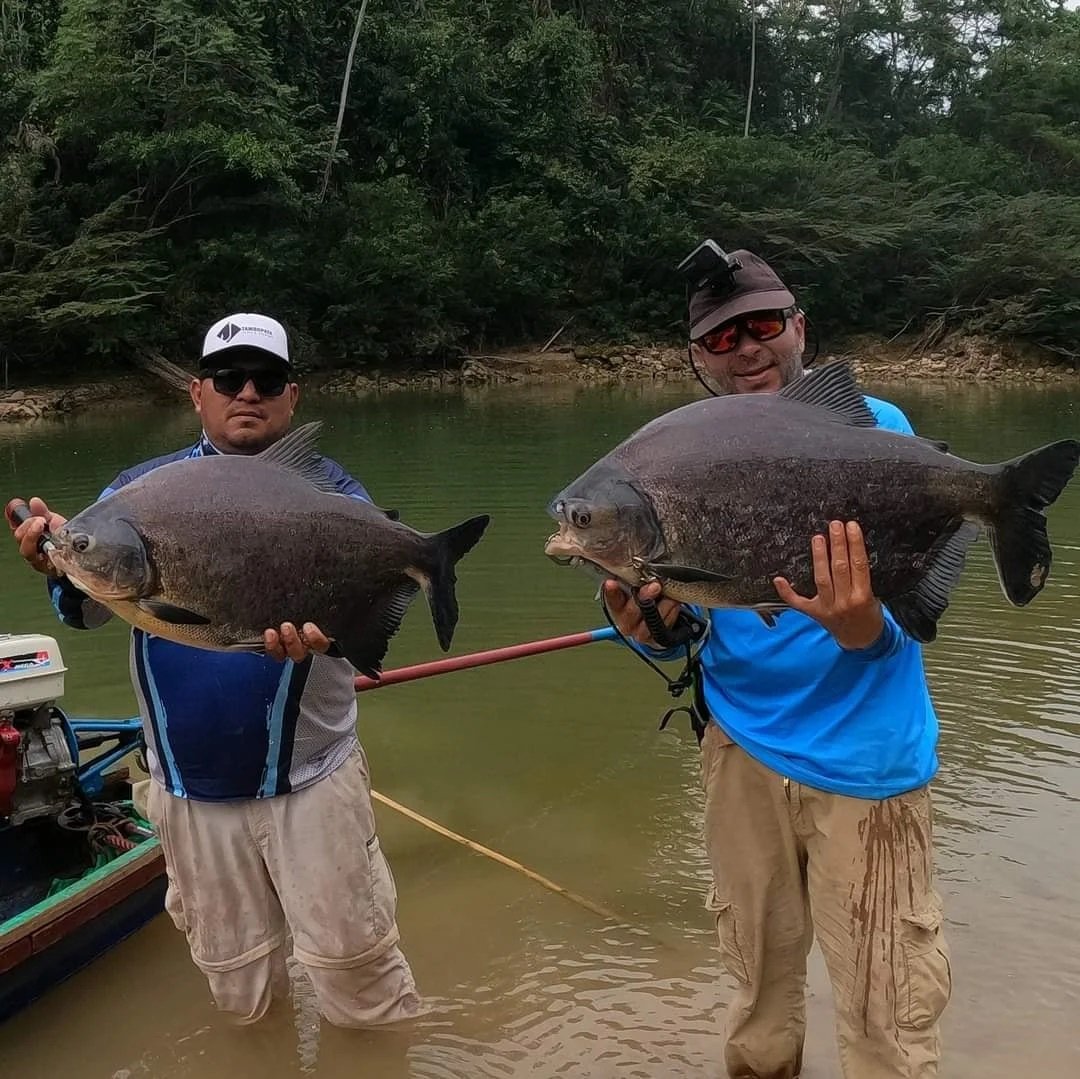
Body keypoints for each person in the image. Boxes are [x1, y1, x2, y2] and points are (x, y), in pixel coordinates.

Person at [7, 314, 422, 1028]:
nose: (247, 393)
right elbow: (85, 612)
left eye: (265, 379)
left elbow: (371, 614)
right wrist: (59, 565)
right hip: (188, 796)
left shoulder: (336, 499)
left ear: (292, 396)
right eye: (230, 379)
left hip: (313, 784)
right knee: (244, 1000)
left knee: (364, 994)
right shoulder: (131, 495)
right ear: (198, 392)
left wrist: (337, 631)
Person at [604, 250, 952, 1079]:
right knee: (757, 1002)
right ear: (698, 359)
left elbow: (904, 628)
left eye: (762, 324)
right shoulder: (675, 458)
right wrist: (642, 626)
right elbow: (680, 625)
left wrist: (863, 626)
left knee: (886, 1023)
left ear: (800, 329)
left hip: (865, 763)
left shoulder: (877, 433)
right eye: (721, 337)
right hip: (740, 751)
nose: (745, 347)